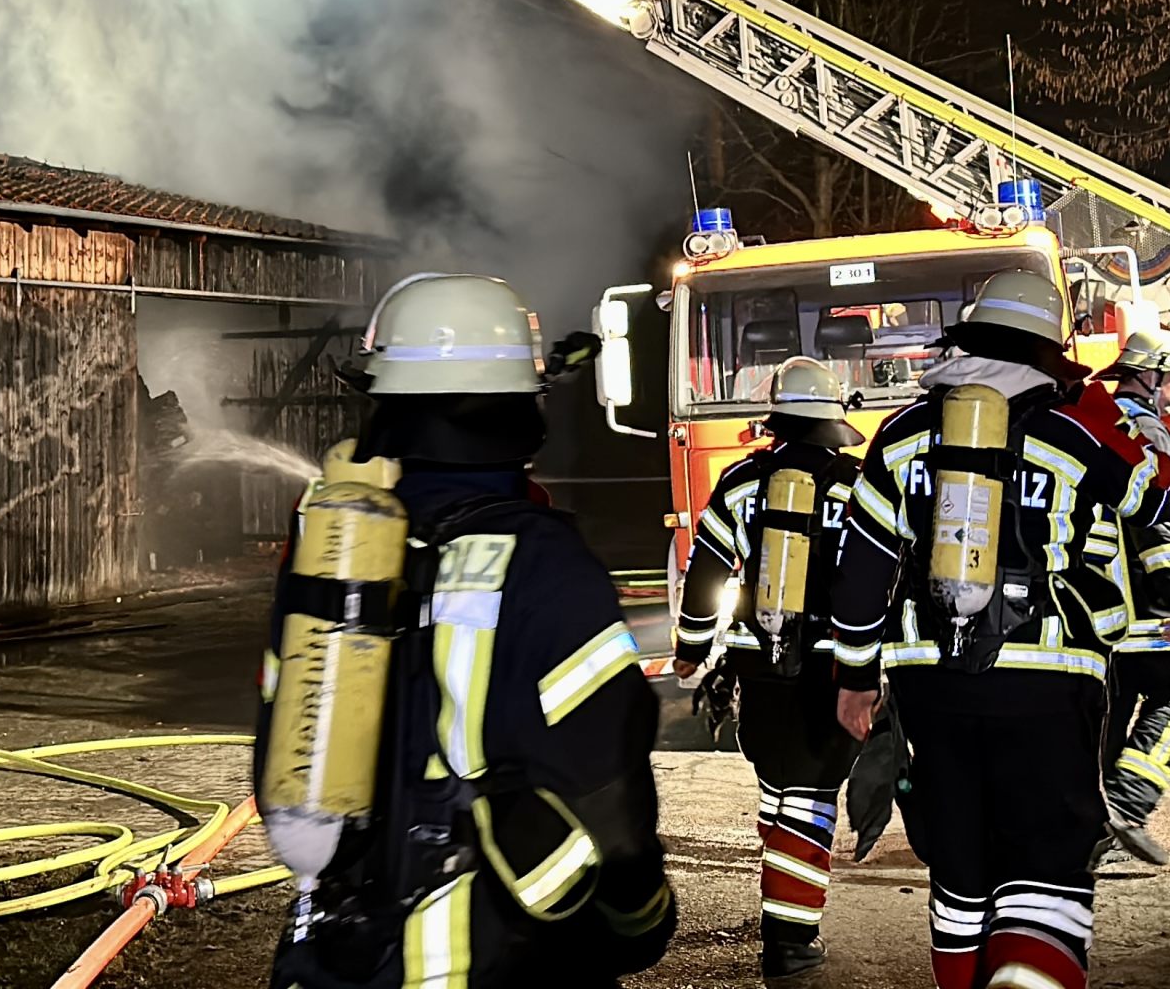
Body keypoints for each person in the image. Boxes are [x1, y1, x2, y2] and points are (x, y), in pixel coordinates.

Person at [257, 273, 675, 988]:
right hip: (497, 963)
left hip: (344, 958)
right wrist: (640, 919)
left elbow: (284, 747)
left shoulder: (334, 556)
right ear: (519, 408)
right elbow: (607, 795)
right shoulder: (547, 567)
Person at [830, 269, 1170, 989]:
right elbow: (1157, 494)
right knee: (1046, 869)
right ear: (1050, 350)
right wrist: (1107, 411)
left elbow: (862, 569)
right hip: (1049, 683)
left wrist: (857, 679)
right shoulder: (1075, 427)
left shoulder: (899, 433)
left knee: (959, 869)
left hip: (931, 684)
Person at [672, 357, 863, 980]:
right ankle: (790, 939)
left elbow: (707, 572)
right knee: (810, 802)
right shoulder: (855, 483)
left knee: (781, 794)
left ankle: (785, 920)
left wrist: (692, 647)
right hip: (831, 670)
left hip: (760, 667)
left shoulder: (740, 480)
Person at [1098, 328, 1170, 867]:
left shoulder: (1092, 423)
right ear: (1149, 374)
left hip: (1095, 609)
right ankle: (1125, 805)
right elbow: (1158, 521)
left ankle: (1086, 822)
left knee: (1109, 712)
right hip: (1146, 607)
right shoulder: (1147, 431)